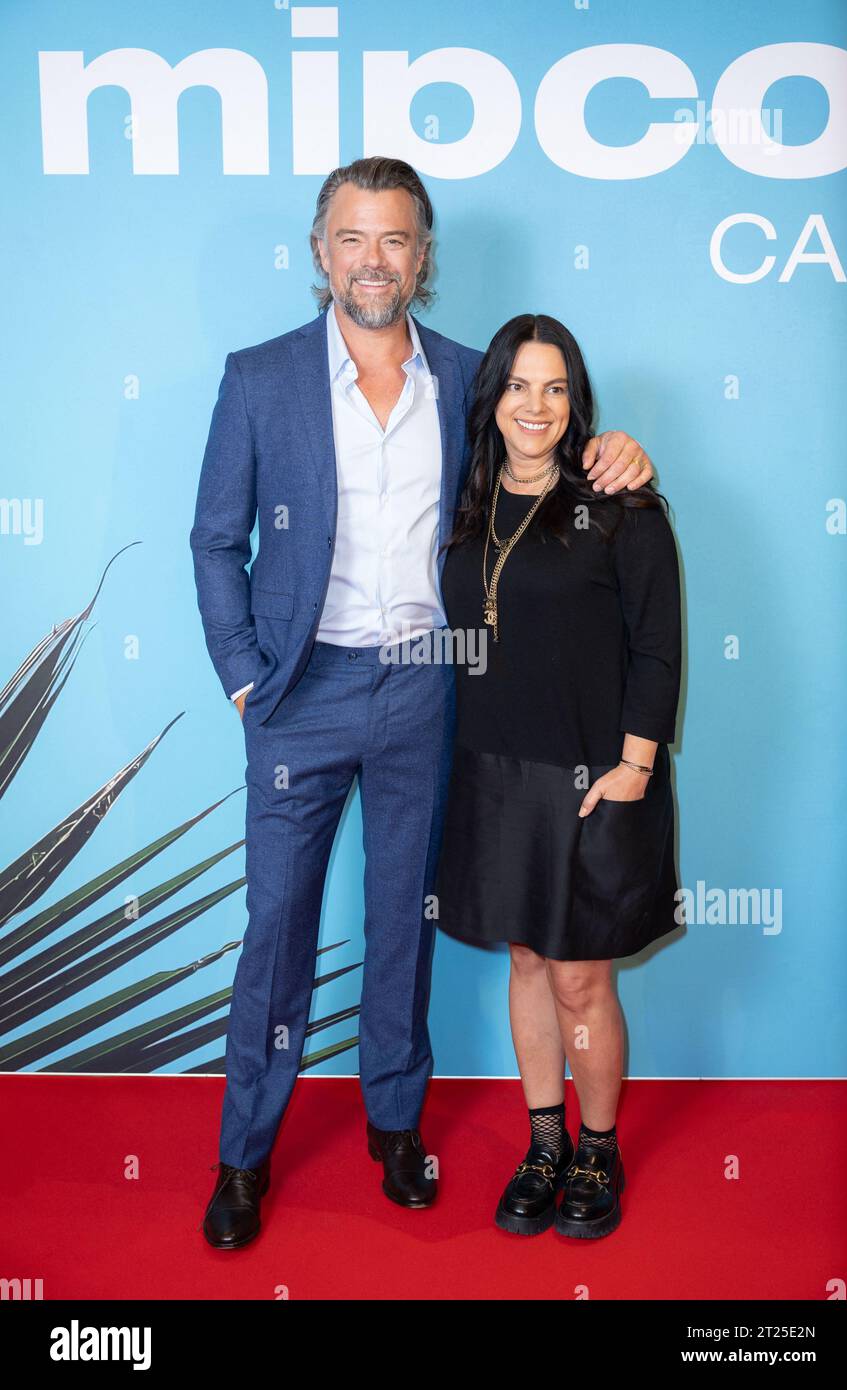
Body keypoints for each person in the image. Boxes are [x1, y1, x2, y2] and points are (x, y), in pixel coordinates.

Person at [189, 156, 654, 1249]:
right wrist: (246, 675)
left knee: (406, 918)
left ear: (422, 256)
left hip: (429, 687)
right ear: (320, 252)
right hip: (298, 694)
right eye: (352, 238)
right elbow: (215, 538)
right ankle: (243, 1154)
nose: (372, 260)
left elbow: (548, 460)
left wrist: (619, 450)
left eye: (395, 239)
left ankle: (395, 1127)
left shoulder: (466, 379)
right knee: (276, 931)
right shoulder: (258, 379)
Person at [435, 313, 682, 1240]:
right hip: (494, 778)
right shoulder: (463, 505)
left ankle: (599, 1147)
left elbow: (658, 647)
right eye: (517, 386)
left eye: (555, 388)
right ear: (491, 397)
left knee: (583, 980)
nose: (535, 406)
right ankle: (545, 1146)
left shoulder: (621, 503)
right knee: (529, 962)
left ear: (576, 403)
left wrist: (634, 767)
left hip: (595, 779)